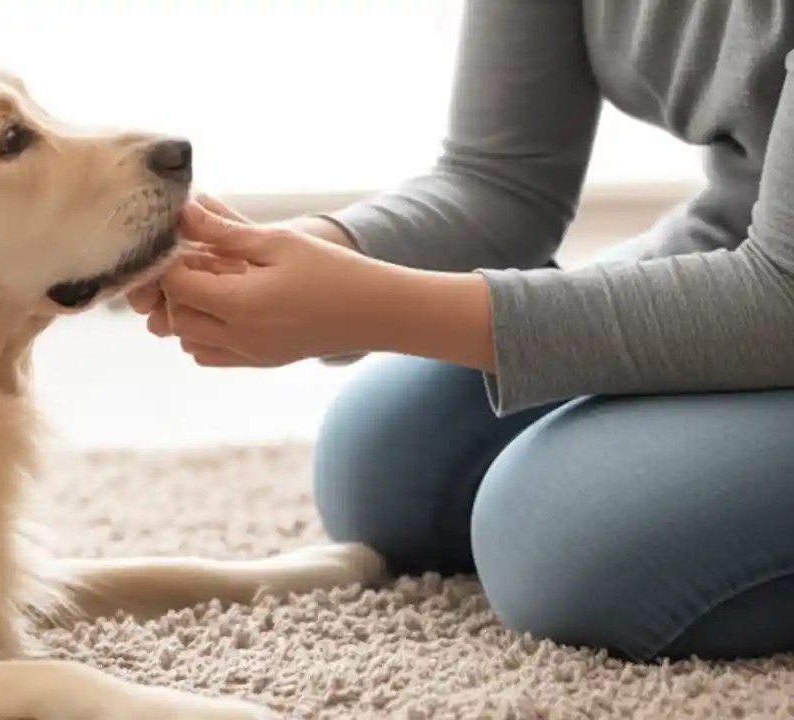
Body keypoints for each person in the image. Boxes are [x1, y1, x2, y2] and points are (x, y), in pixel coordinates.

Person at [127, 0, 794, 664]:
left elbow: (781, 297)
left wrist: (368, 305)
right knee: (388, 463)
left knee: (555, 541)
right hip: (747, 234)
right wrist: (301, 250)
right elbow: (501, 180)